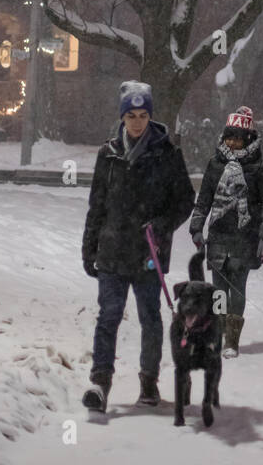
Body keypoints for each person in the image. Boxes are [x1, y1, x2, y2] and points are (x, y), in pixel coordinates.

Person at [81, 81, 195, 410]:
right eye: (130, 115)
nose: (136, 121)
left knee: (150, 318)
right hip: (113, 251)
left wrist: (160, 226)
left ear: (150, 116)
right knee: (108, 317)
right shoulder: (109, 154)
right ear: (122, 117)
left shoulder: (167, 153)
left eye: (143, 115)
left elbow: (185, 200)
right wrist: (89, 246)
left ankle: (148, 381)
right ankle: (100, 383)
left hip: (149, 254)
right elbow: (97, 204)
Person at [189, 105, 263, 358]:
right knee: (218, 291)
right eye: (229, 136)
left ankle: (232, 339)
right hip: (217, 238)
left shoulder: (259, 169)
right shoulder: (215, 165)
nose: (233, 142)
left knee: (237, 289)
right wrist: (196, 228)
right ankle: (216, 335)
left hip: (245, 239)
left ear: (248, 138)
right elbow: (203, 199)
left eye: (238, 137)